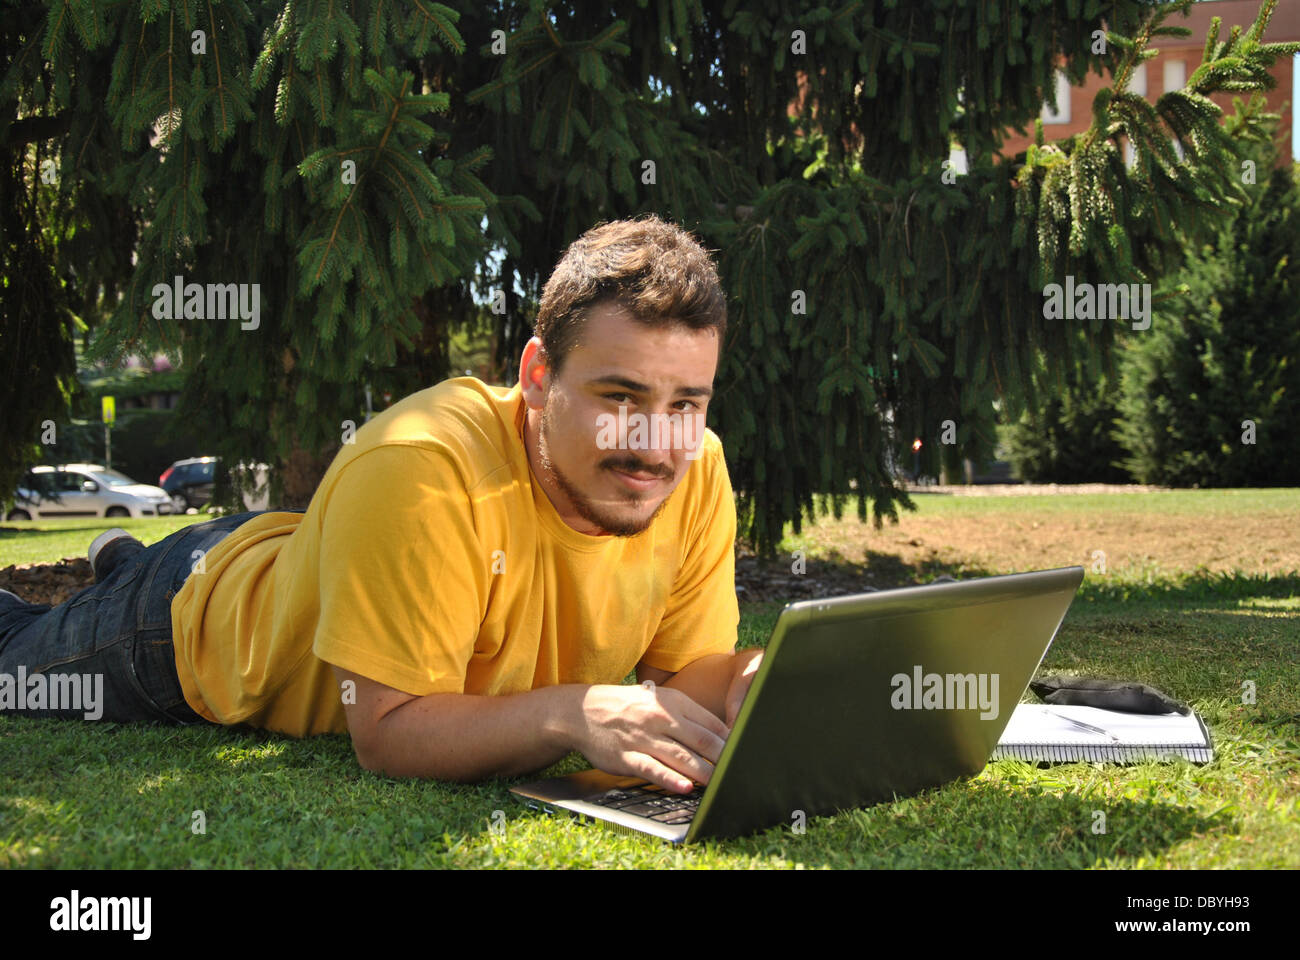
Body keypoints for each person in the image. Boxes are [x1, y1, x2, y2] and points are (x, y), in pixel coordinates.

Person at [0, 215, 760, 795]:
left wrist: (743, 682)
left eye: (686, 403)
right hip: (186, 627)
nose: (657, 444)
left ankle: (117, 560)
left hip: (303, 560)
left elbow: (687, 671)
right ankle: (123, 576)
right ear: (536, 376)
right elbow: (390, 733)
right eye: (619, 395)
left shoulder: (699, 468)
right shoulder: (423, 466)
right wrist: (572, 713)